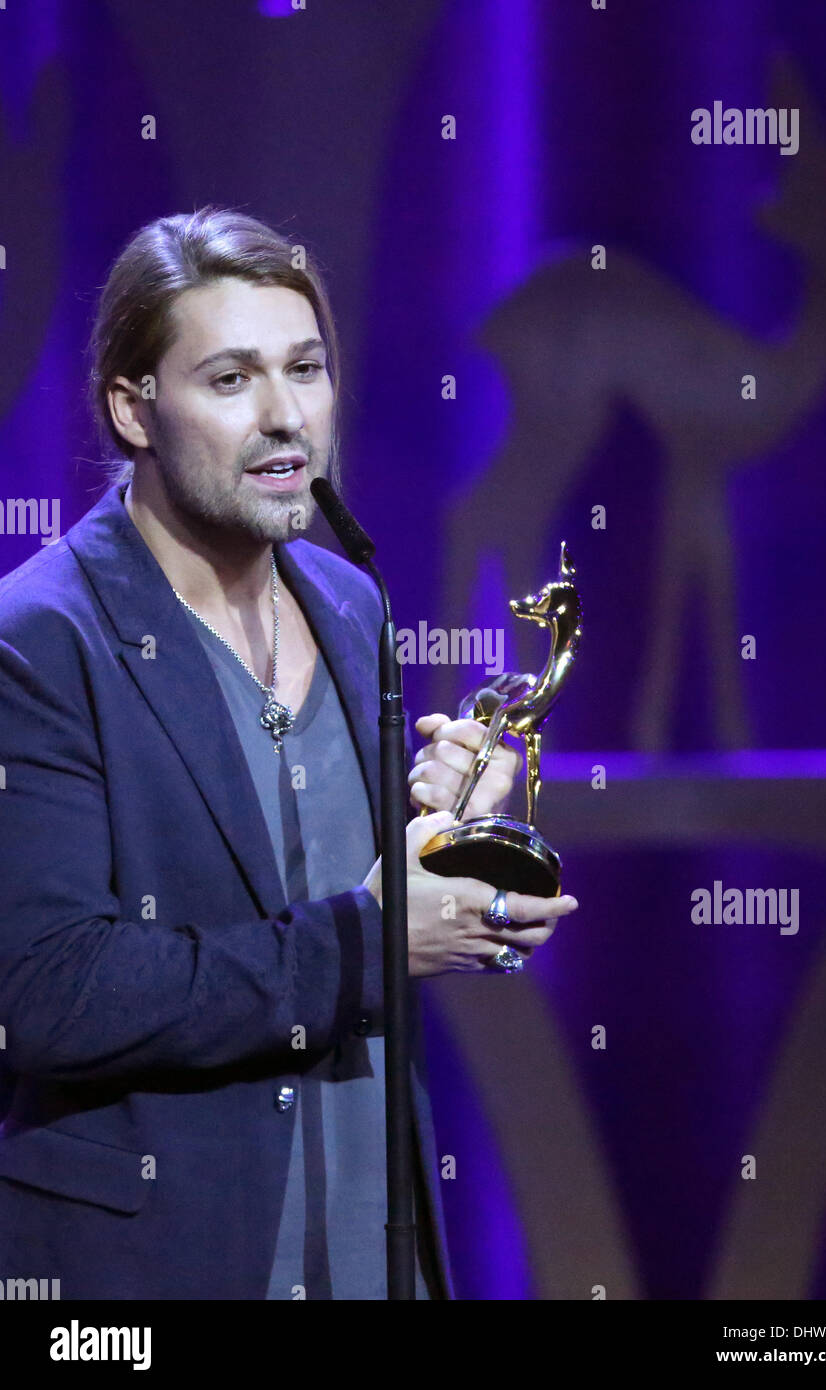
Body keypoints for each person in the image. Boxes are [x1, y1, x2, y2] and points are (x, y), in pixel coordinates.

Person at [0, 207, 579, 1300]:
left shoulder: (348, 605)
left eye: (305, 369)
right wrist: (371, 938)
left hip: (371, 1253)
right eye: (229, 380)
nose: (284, 419)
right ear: (134, 408)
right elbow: (52, 993)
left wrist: (451, 854)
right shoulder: (40, 640)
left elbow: (352, 905)